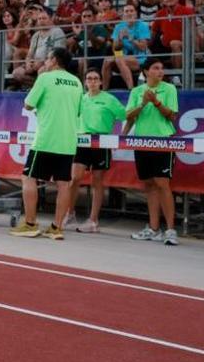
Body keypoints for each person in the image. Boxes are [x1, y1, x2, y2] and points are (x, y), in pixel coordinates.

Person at [9, 47, 82, 240]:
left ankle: (31, 223)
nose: (45, 62)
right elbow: (78, 111)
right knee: (63, 184)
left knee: (28, 177)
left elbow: (28, 105)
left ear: (55, 61)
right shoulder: (77, 82)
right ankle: (57, 228)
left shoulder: (45, 78)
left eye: (48, 59)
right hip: (68, 140)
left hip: (46, 138)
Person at [124, 58, 180, 246]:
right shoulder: (136, 91)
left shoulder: (169, 89)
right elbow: (129, 116)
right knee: (149, 185)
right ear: (146, 71)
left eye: (162, 68)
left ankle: (171, 230)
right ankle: (154, 228)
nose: (160, 71)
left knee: (163, 184)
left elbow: (172, 115)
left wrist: (155, 102)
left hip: (162, 141)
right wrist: (142, 103)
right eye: (156, 68)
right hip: (142, 141)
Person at [70, 70, 126, 233]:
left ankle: (93, 220)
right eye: (89, 79)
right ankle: (69, 214)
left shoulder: (109, 99)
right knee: (74, 178)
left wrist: (121, 136)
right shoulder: (80, 98)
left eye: (95, 79)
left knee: (97, 181)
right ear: (85, 82)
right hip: (82, 141)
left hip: (101, 142)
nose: (92, 81)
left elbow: (125, 116)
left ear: (101, 82)